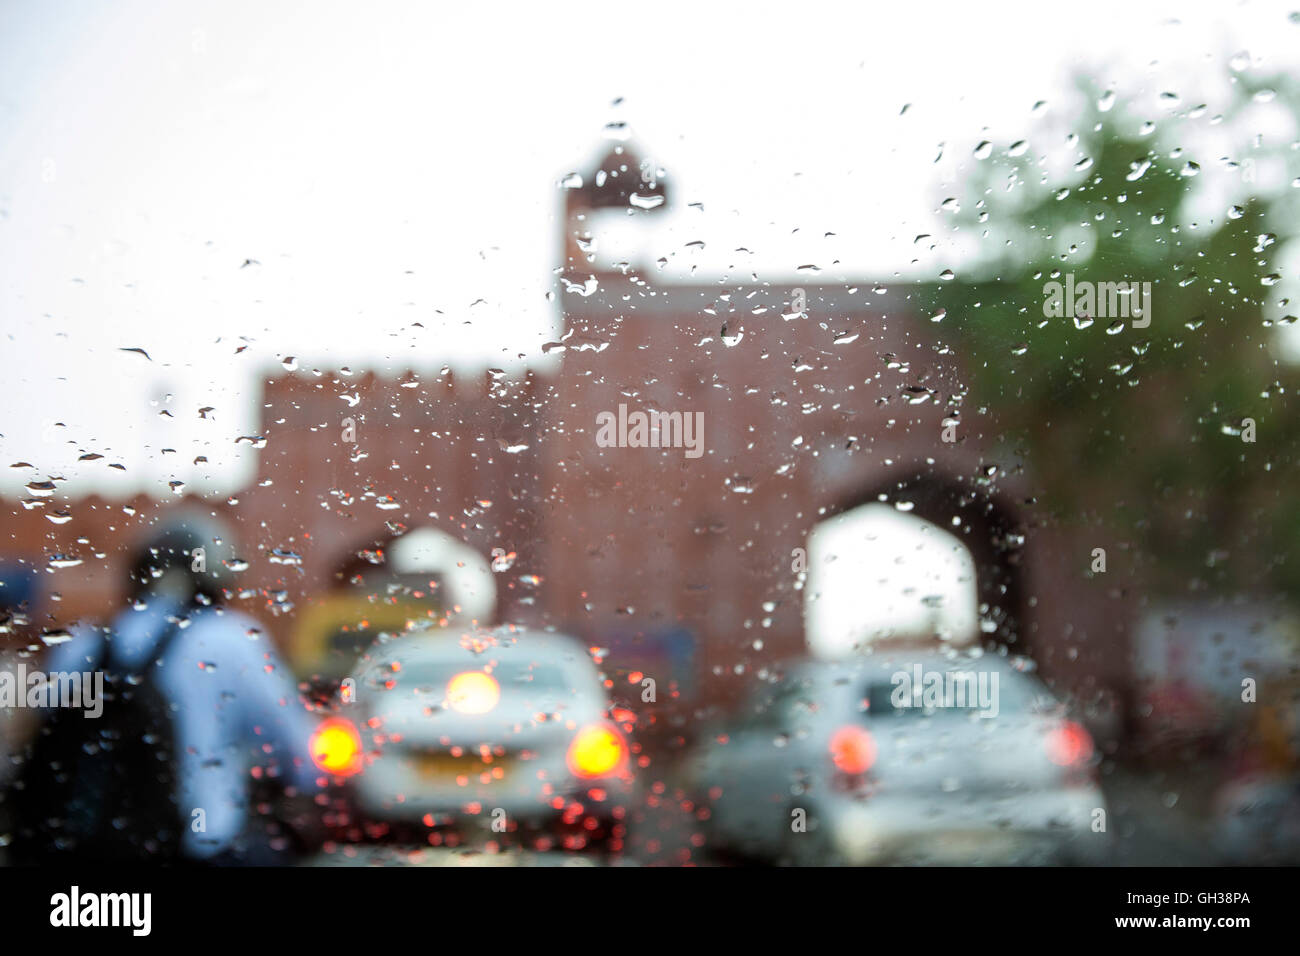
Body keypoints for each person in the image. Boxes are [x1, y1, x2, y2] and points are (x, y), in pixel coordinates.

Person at [8, 512, 323, 865]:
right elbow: (301, 757)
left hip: (81, 845)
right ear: (216, 574)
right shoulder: (232, 639)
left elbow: (43, 741)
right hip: (194, 848)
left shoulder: (84, 643)